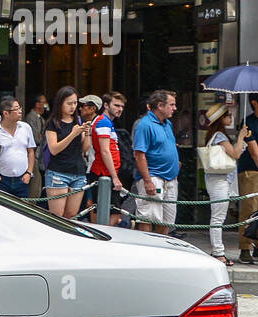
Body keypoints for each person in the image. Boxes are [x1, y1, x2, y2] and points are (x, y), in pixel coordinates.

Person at [204, 103, 248, 265]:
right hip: (219, 181)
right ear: (221, 119)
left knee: (218, 216)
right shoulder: (220, 136)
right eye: (228, 115)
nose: (230, 118)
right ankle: (218, 252)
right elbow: (235, 154)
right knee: (218, 217)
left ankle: (217, 250)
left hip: (217, 179)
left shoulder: (213, 135)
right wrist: (242, 136)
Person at [132, 89, 181, 235]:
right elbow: (139, 155)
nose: (175, 108)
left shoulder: (168, 124)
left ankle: (161, 250)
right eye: (171, 105)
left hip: (170, 178)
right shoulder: (145, 125)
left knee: (167, 219)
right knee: (147, 217)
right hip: (153, 176)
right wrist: (147, 181)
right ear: (160, 105)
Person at [44, 86, 92, 219]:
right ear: (60, 103)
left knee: (71, 215)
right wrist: (73, 134)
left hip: (78, 172)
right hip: (58, 172)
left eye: (75, 103)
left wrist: (87, 134)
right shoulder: (53, 123)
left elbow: (84, 149)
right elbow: (54, 149)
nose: (73, 107)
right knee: (57, 216)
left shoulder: (78, 120)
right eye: (69, 103)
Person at [0, 96, 37, 197]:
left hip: (22, 179)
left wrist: (29, 172)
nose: (20, 111)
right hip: (0, 179)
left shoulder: (25, 128)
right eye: (16, 109)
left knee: (21, 211)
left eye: (20, 108)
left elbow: (31, 152)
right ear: (6, 113)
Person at [237, 92, 258, 263]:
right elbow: (254, 152)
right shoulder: (248, 123)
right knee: (250, 209)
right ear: (255, 102)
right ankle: (245, 248)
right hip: (252, 171)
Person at [84, 93, 126, 225]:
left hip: (105, 172)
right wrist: (114, 177)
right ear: (106, 105)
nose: (119, 109)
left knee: (109, 212)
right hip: (104, 173)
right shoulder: (103, 122)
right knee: (112, 214)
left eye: (122, 106)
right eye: (116, 105)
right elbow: (104, 150)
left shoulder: (103, 121)